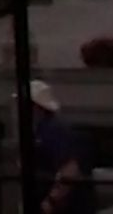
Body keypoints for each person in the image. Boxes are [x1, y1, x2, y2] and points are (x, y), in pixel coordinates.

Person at [28, 80, 94, 214]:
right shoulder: (41, 130)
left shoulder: (53, 130)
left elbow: (70, 169)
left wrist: (51, 200)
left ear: (36, 107)